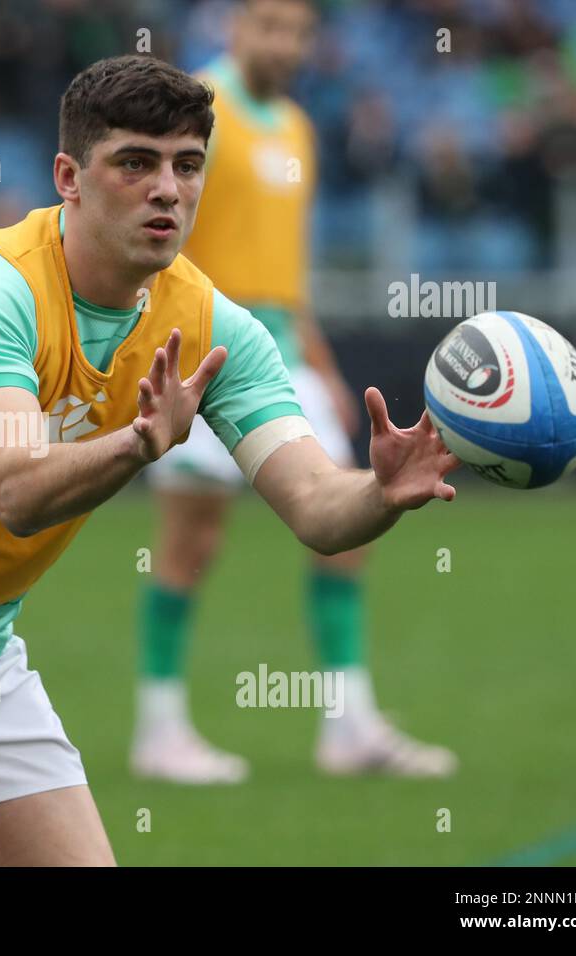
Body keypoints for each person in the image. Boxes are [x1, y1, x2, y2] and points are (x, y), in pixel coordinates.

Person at [0, 54, 461, 865]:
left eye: (187, 165)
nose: (168, 188)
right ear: (69, 176)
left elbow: (314, 509)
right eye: (136, 162)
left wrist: (382, 490)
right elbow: (14, 490)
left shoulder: (216, 327)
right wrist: (136, 444)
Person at [141, 0, 457, 783]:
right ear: (235, 27)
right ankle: (160, 729)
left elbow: (288, 262)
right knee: (191, 543)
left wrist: (321, 363)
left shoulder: (298, 129)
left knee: (352, 530)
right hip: (203, 348)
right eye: (268, 25)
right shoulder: (195, 115)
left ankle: (349, 726)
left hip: (283, 352)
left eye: (296, 30)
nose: (282, 42)